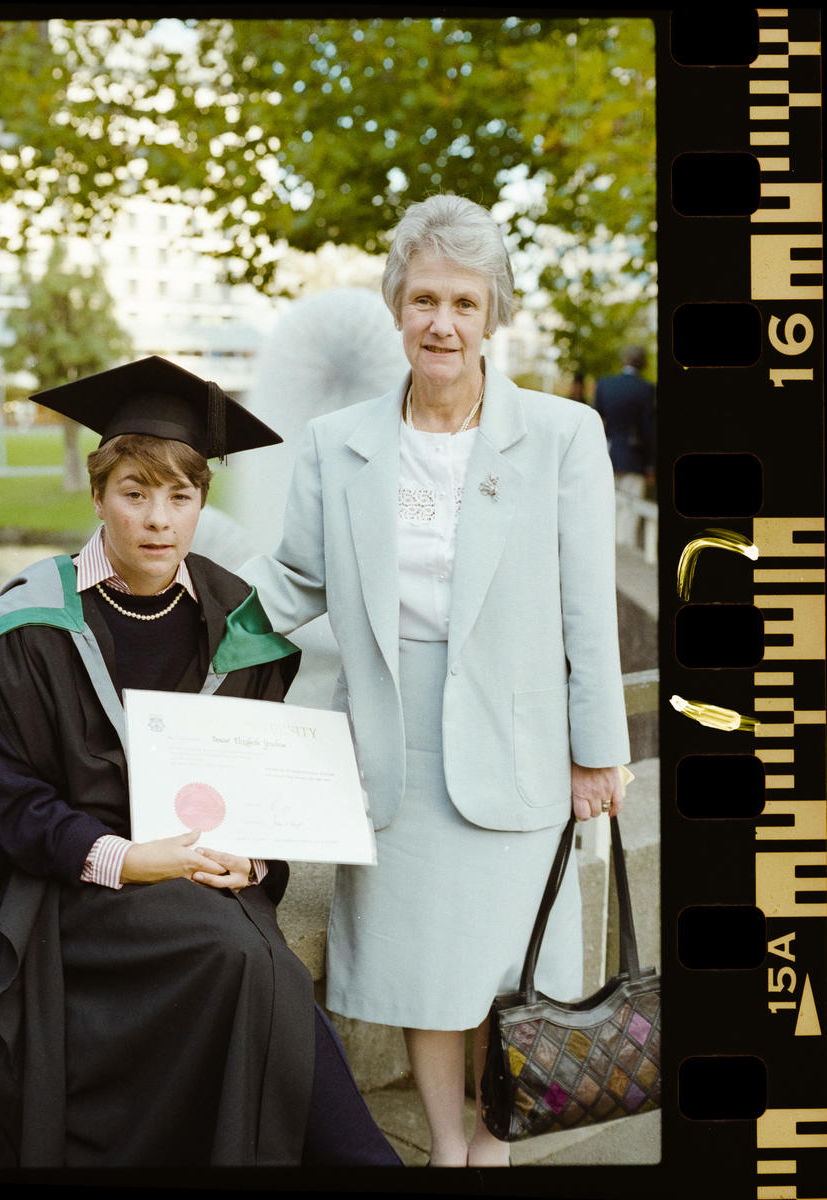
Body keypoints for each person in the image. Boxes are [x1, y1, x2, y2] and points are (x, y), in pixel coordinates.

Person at [0, 355, 401, 1170]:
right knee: (248, 958)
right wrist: (135, 859)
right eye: (135, 493)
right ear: (100, 494)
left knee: (250, 953)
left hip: (199, 879)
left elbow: (259, 780)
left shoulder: (232, 620)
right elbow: (16, 804)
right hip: (76, 886)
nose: (157, 519)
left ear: (201, 503)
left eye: (180, 495)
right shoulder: (34, 622)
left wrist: (253, 850)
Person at [240, 195, 630, 1167]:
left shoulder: (561, 435)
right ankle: (448, 1148)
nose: (440, 323)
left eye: (461, 300)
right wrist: (157, 600)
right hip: (391, 748)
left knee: (510, 976)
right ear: (396, 306)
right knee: (421, 972)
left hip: (520, 747)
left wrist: (599, 754)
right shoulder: (336, 443)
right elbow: (290, 581)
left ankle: (493, 1147)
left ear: (491, 310)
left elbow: (588, 608)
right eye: (422, 299)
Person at [593, 346, 656, 549]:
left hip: (607, 454)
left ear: (623, 360)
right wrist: (651, 465)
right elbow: (648, 430)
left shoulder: (605, 384)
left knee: (606, 507)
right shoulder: (645, 389)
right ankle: (624, 553)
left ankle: (605, 549)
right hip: (634, 458)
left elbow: (595, 422)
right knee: (631, 510)